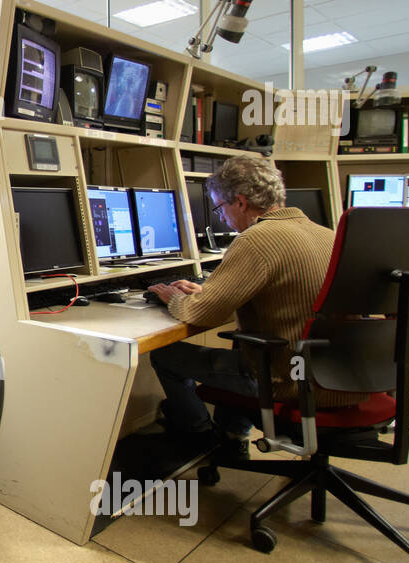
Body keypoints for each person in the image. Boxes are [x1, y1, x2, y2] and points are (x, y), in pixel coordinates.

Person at [146, 156, 361, 451]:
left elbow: (201, 314)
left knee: (165, 355)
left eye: (220, 208)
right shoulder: (326, 235)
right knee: (245, 344)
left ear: (241, 202)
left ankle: (198, 435)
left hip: (292, 382)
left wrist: (176, 298)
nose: (222, 218)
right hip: (344, 376)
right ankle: (233, 437)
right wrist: (210, 291)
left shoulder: (256, 239)